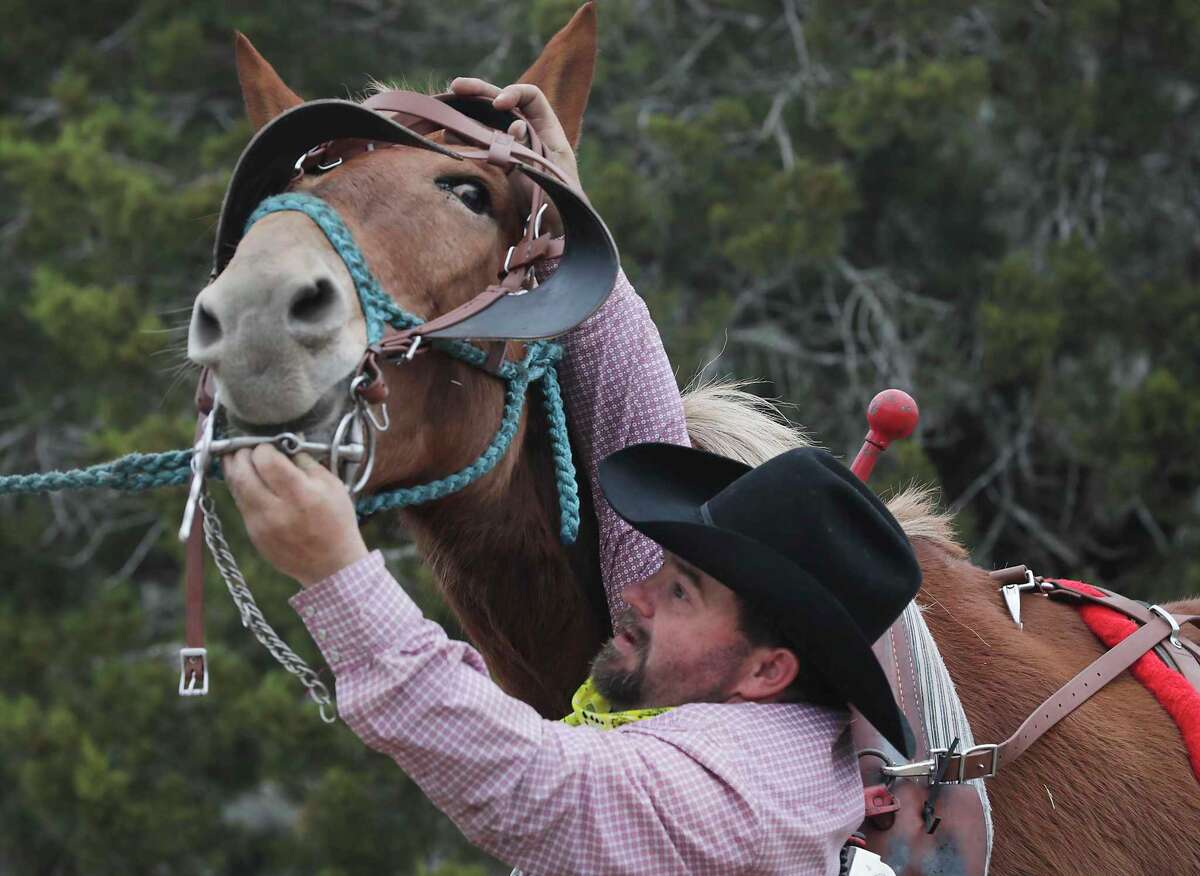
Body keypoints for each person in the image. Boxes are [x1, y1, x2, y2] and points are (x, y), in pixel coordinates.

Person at [221, 80, 922, 876]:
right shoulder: (725, 691)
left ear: (768, 670)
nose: (638, 588)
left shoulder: (747, 792)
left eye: (681, 589)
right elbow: (634, 420)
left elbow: (538, 789)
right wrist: (567, 219)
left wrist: (339, 577)